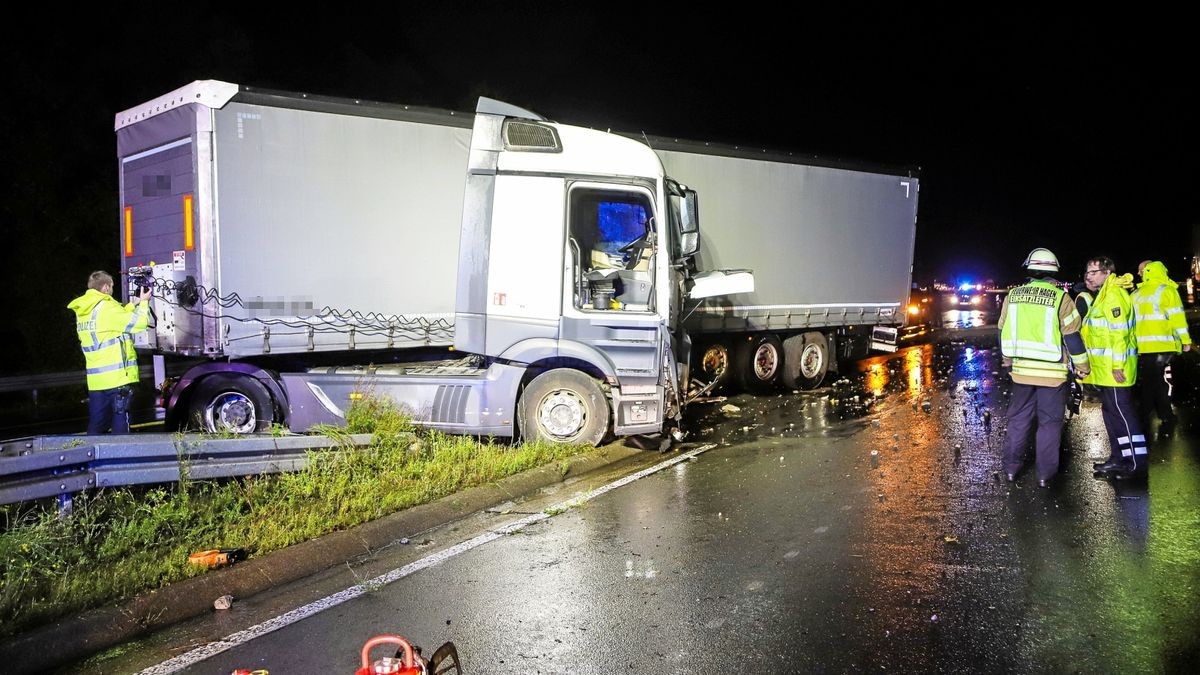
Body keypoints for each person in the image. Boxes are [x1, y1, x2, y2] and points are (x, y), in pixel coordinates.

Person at [999, 248, 1090, 487]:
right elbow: (1072, 337)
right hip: (1052, 375)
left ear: (1029, 269)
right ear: (1054, 272)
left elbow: (1002, 330)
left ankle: (1010, 469)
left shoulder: (1013, 296)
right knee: (1049, 424)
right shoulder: (1062, 298)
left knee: (1018, 420)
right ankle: (1044, 476)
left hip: (1021, 372)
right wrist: (1083, 365)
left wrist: (1007, 360)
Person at [1078, 257, 1147, 480]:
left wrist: (1118, 364)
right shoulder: (1103, 295)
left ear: (1107, 272)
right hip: (1104, 370)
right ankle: (1118, 458)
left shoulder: (1114, 296)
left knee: (1123, 414)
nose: (1089, 275)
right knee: (1111, 414)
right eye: (1087, 272)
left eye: (1094, 271)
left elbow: (1120, 334)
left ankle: (1136, 462)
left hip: (1114, 369)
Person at [67, 271, 151, 434]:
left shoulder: (84, 311)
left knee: (97, 425)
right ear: (105, 287)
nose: (112, 289)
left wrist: (132, 304)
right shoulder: (107, 307)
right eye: (112, 286)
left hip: (96, 381)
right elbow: (141, 323)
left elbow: (112, 322)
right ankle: (122, 458)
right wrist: (144, 304)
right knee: (120, 424)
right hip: (117, 379)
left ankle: (93, 458)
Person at [1132, 260, 1192, 431]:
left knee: (1152, 380)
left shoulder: (1136, 294)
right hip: (1163, 344)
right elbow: (1177, 319)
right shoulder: (1167, 291)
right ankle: (1160, 414)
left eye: (1141, 270)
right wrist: (1185, 340)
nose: (1138, 273)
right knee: (1156, 381)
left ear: (1148, 271)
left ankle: (1149, 414)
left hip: (1143, 347)